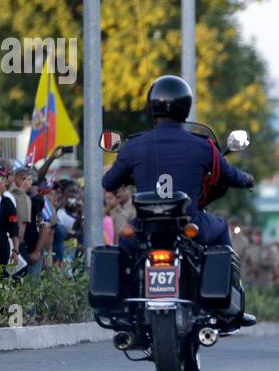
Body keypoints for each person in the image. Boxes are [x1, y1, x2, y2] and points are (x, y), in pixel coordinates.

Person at [101, 75, 254, 248]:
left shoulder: (133, 145)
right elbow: (230, 175)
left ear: (151, 106)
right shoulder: (204, 146)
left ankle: (129, 275)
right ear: (186, 107)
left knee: (124, 244)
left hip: (146, 227)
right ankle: (221, 277)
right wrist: (247, 179)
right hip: (190, 224)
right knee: (220, 228)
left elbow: (109, 181)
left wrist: (132, 175)